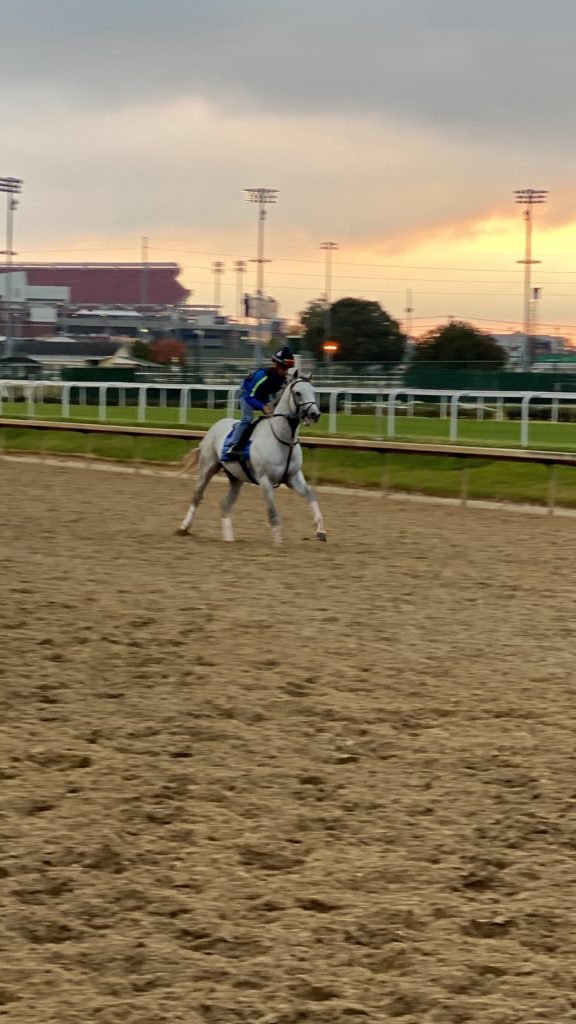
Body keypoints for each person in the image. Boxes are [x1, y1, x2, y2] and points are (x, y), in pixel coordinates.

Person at [225, 345, 295, 460]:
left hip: (262, 395)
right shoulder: (262, 376)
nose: (285, 371)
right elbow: (250, 397)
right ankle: (233, 446)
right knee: (247, 419)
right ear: (276, 365)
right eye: (284, 368)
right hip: (247, 393)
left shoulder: (283, 379)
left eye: (287, 369)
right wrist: (263, 406)